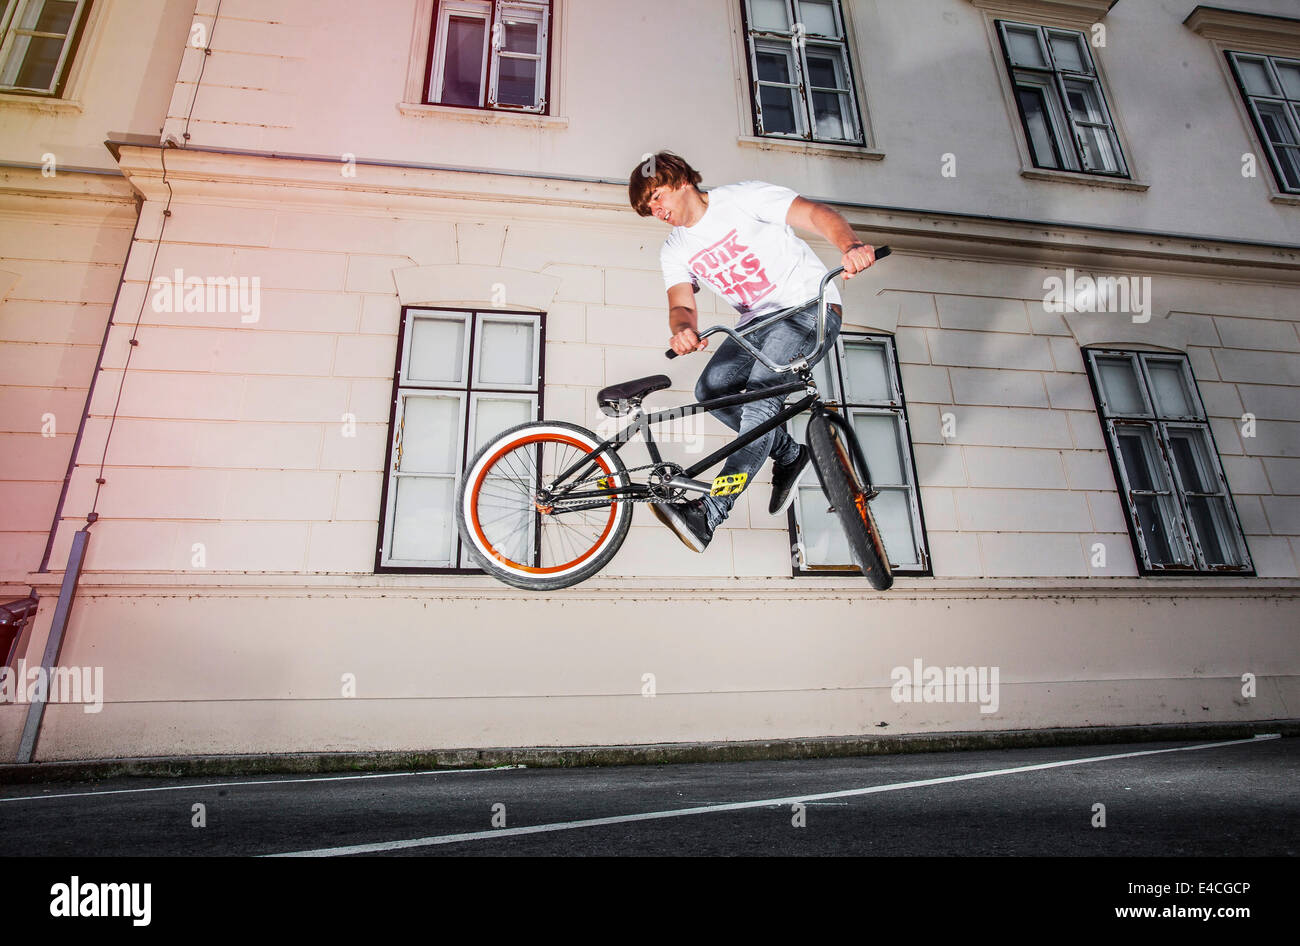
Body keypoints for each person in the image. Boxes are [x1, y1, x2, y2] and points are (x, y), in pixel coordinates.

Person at [627, 151, 878, 552]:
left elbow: (815, 214)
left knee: (762, 401)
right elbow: (680, 304)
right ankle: (789, 453)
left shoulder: (742, 199)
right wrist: (683, 330)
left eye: (657, 197)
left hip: (806, 309)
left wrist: (850, 245)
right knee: (711, 390)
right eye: (648, 207)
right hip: (756, 326)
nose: (655, 210)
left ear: (681, 181)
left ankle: (710, 512)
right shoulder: (674, 248)